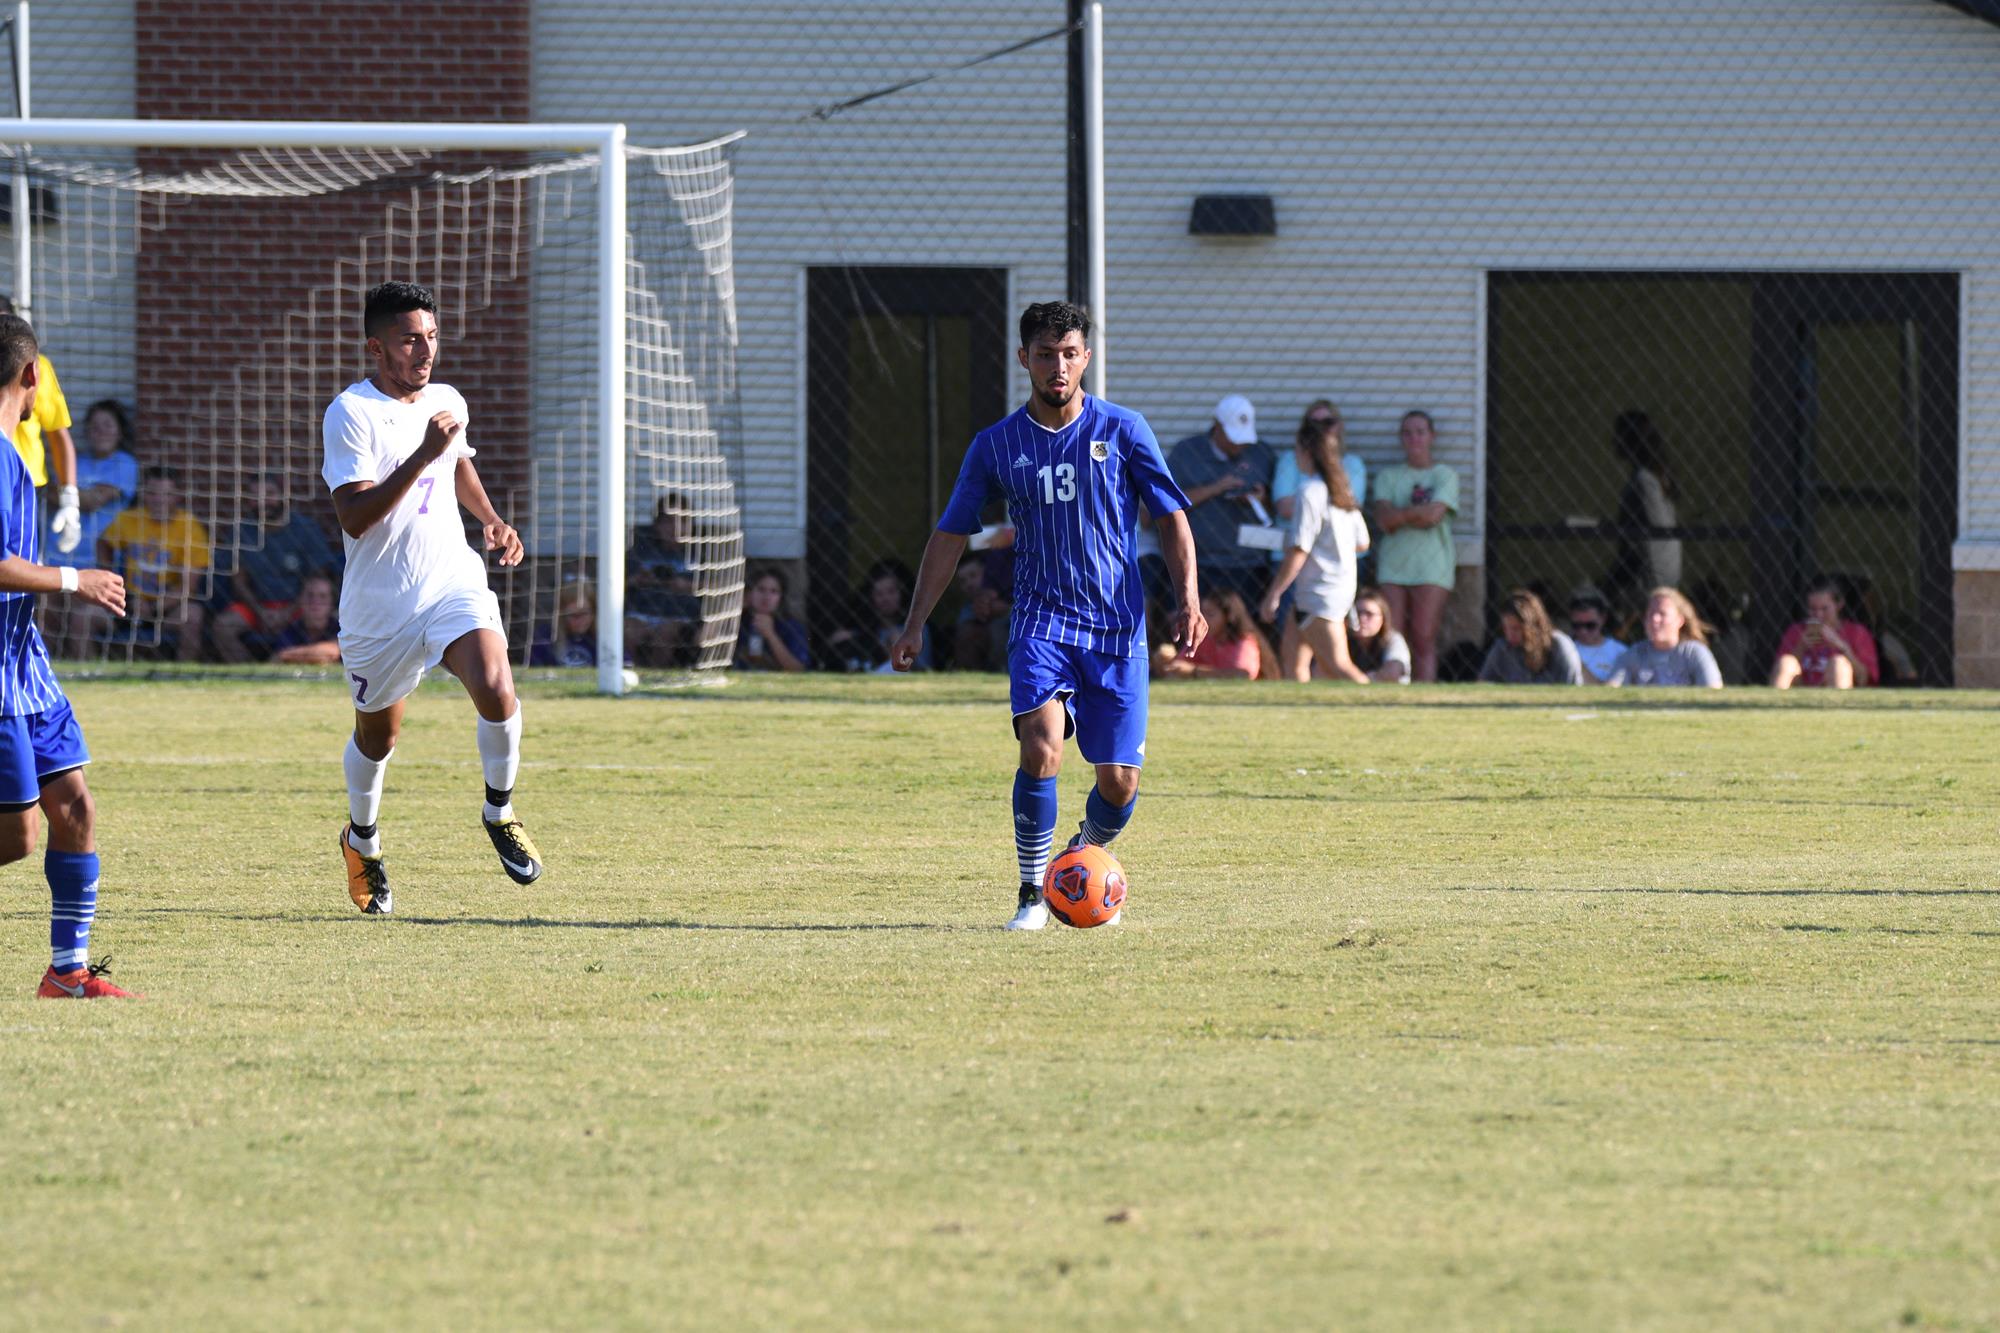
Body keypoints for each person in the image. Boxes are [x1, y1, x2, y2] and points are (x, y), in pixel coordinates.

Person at [889, 300, 1203, 930]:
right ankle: (1032, 895)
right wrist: (916, 620)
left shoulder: (1124, 431)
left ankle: (1078, 858)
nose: (1057, 366)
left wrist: (1189, 596)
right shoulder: (996, 446)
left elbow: (1171, 516)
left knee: (1118, 784)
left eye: (1069, 354)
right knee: (1042, 748)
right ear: (1023, 359)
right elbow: (951, 534)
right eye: (1044, 354)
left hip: (1116, 627)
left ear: (1085, 357)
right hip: (1040, 622)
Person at [322, 280, 540, 915]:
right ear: (376, 346)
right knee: (378, 739)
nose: (425, 350)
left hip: (450, 579)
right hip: (380, 607)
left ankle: (499, 812)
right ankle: (361, 840)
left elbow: (459, 463)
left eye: (432, 336)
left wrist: (492, 520)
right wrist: (422, 453)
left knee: (498, 687)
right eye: (410, 339)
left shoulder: (446, 399)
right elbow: (356, 516)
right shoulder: (350, 413)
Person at [0, 315, 136, 997]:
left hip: (26, 661)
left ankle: (68, 971)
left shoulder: (16, 457)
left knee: (75, 805)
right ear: (31, 377)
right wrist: (72, 578)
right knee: (17, 837)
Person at [1258, 415, 1370, 682]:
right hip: (1329, 590)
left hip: (1320, 594)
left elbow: (1300, 550)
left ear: (1307, 452)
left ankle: (1383, 710)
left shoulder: (1309, 492)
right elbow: (1362, 542)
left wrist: (1273, 594)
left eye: (1297, 449)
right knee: (1293, 663)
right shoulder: (1341, 492)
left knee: (1339, 667)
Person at [211, 473, 343, 663]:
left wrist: (288, 612)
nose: (263, 501)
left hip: (300, 605)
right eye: (256, 496)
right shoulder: (241, 532)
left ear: (283, 495)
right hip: (257, 607)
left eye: (270, 493)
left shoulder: (305, 529)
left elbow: (318, 578)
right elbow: (238, 580)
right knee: (223, 627)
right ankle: (248, 674)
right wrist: (259, 611)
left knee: (320, 614)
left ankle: (301, 661)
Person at [47, 398, 139, 660]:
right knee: (44, 614)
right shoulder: (74, 460)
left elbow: (94, 500)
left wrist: (66, 495)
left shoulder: (124, 464)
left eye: (108, 425)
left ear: (120, 431)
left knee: (80, 618)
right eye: (95, 426)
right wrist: (71, 495)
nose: (101, 432)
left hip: (99, 561)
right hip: (58, 556)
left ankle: (83, 671)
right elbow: (46, 492)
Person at [1165, 393, 1276, 606]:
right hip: (1199, 562)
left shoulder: (1261, 453)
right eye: (1234, 438)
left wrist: (1260, 499)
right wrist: (1217, 487)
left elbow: (1277, 506)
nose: (1240, 446)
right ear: (1217, 425)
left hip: (1248, 565)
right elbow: (1168, 504)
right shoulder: (1187, 453)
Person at [1371, 410, 1458, 681]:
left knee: (1423, 636)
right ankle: (1395, 688)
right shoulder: (1388, 476)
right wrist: (1416, 513)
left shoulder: (1445, 475)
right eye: (1408, 432)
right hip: (1393, 565)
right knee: (1393, 638)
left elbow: (1434, 516)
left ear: (1432, 436)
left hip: (1432, 566)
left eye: (1420, 432)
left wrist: (1401, 514)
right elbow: (1384, 520)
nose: (1414, 438)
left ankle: (1424, 695)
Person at [91, 466, 211, 661]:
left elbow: (189, 587)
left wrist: (155, 607)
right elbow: (103, 544)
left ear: (177, 496)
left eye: (166, 494)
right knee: (84, 615)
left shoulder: (190, 527)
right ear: (145, 495)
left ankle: (183, 674)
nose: (158, 500)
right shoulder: (129, 519)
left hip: (166, 607)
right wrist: (118, 589)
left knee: (193, 615)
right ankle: (83, 670)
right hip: (126, 603)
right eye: (153, 493)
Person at [0, 296, 81, 565]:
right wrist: (74, 581)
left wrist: (70, 498)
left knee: (30, 571)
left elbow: (59, 435)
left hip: (28, 485)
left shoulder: (39, 367)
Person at [1608, 409, 1682, 602]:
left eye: (1618, 435)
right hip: (1652, 570)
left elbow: (1657, 530)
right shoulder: (1651, 477)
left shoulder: (1645, 480)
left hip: (1652, 575)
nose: (1613, 442)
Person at [625, 496, 702, 667]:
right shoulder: (641, 549)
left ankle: (655, 674)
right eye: (668, 521)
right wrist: (638, 580)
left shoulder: (700, 552)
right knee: (629, 630)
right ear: (657, 525)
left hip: (680, 616)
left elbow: (718, 586)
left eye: (683, 521)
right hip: (642, 612)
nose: (675, 528)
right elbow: (620, 583)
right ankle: (631, 670)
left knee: (665, 633)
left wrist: (686, 586)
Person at [1770, 577, 1878, 690]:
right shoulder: (1796, 631)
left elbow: (1864, 679)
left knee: (1838, 664)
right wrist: (1801, 647)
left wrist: (1842, 647)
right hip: (1801, 687)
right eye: (1812, 609)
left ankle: (1837, 705)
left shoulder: (1857, 632)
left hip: (1833, 687)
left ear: (1839, 604)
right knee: (1786, 662)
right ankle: (1775, 705)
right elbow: (1779, 670)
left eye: (1824, 609)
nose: (1818, 615)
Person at [1605, 586, 1723, 688]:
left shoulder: (1694, 652)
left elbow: (1712, 692)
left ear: (1680, 620)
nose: (1655, 619)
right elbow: (1611, 691)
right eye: (1651, 613)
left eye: (1662, 614)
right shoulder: (1635, 653)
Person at [830, 559, 927, 672]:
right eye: (879, 594)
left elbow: (924, 669)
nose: (886, 599)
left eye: (891, 592)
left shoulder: (918, 629)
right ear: (871, 598)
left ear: (902, 593)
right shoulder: (863, 630)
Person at [1478, 587, 1584, 685]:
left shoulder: (1559, 646)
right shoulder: (1503, 648)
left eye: (1516, 629)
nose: (1509, 635)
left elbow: (1572, 691)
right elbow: (1482, 687)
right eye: (1506, 629)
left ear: (1534, 626)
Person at [1154, 589, 1265, 680]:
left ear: (1229, 617)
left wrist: (1194, 671)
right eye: (1203, 613)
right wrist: (1166, 662)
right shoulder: (1204, 638)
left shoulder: (1244, 642)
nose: (1205, 619)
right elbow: (1181, 666)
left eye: (1211, 614)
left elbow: (1244, 675)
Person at [735, 566, 810, 672]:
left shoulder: (791, 626)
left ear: (781, 597)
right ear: (749, 592)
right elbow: (705, 640)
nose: (766, 597)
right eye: (761, 589)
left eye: (774, 592)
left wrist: (770, 635)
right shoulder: (738, 620)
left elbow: (798, 668)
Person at [269, 570, 342, 666]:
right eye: (310, 595)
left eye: (323, 596)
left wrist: (289, 655)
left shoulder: (339, 628)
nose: (315, 601)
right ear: (300, 600)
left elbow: (332, 652)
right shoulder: (292, 629)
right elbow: (276, 658)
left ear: (332, 603)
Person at [529, 581, 600, 669]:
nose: (579, 621)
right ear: (561, 614)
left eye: (584, 613)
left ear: (594, 612)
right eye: (573, 615)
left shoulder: (602, 640)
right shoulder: (546, 638)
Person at [1347, 587, 1411, 684]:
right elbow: (1320, 672)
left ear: (1383, 619)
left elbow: (1393, 673)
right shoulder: (1343, 638)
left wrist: (1355, 679)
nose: (1362, 618)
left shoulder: (1393, 639)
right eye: (1357, 613)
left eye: (1369, 614)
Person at [1566, 585, 1626, 683]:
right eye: (1577, 625)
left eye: (1590, 625)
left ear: (1603, 618)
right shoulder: (1564, 650)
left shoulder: (1619, 653)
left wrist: (1576, 663)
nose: (1583, 631)